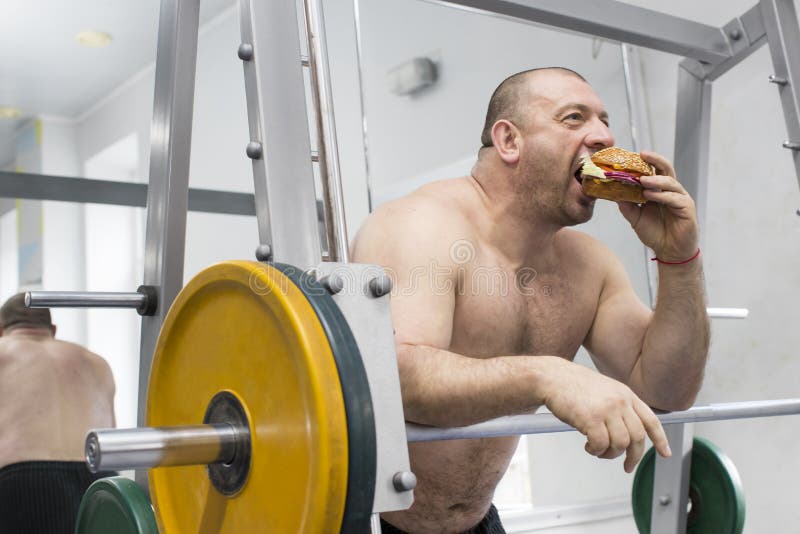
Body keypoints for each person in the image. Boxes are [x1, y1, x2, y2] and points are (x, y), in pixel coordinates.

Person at [351, 67, 710, 534]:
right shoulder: (421, 225)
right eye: (574, 118)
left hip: (478, 521)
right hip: (365, 520)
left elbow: (666, 391)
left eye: (604, 122)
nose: (604, 137)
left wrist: (679, 258)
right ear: (509, 141)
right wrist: (548, 376)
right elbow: (396, 378)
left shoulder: (588, 265)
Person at [0, 293, 116, 534]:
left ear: (1, 329)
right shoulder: (96, 362)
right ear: (52, 329)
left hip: (22, 482)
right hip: (101, 480)